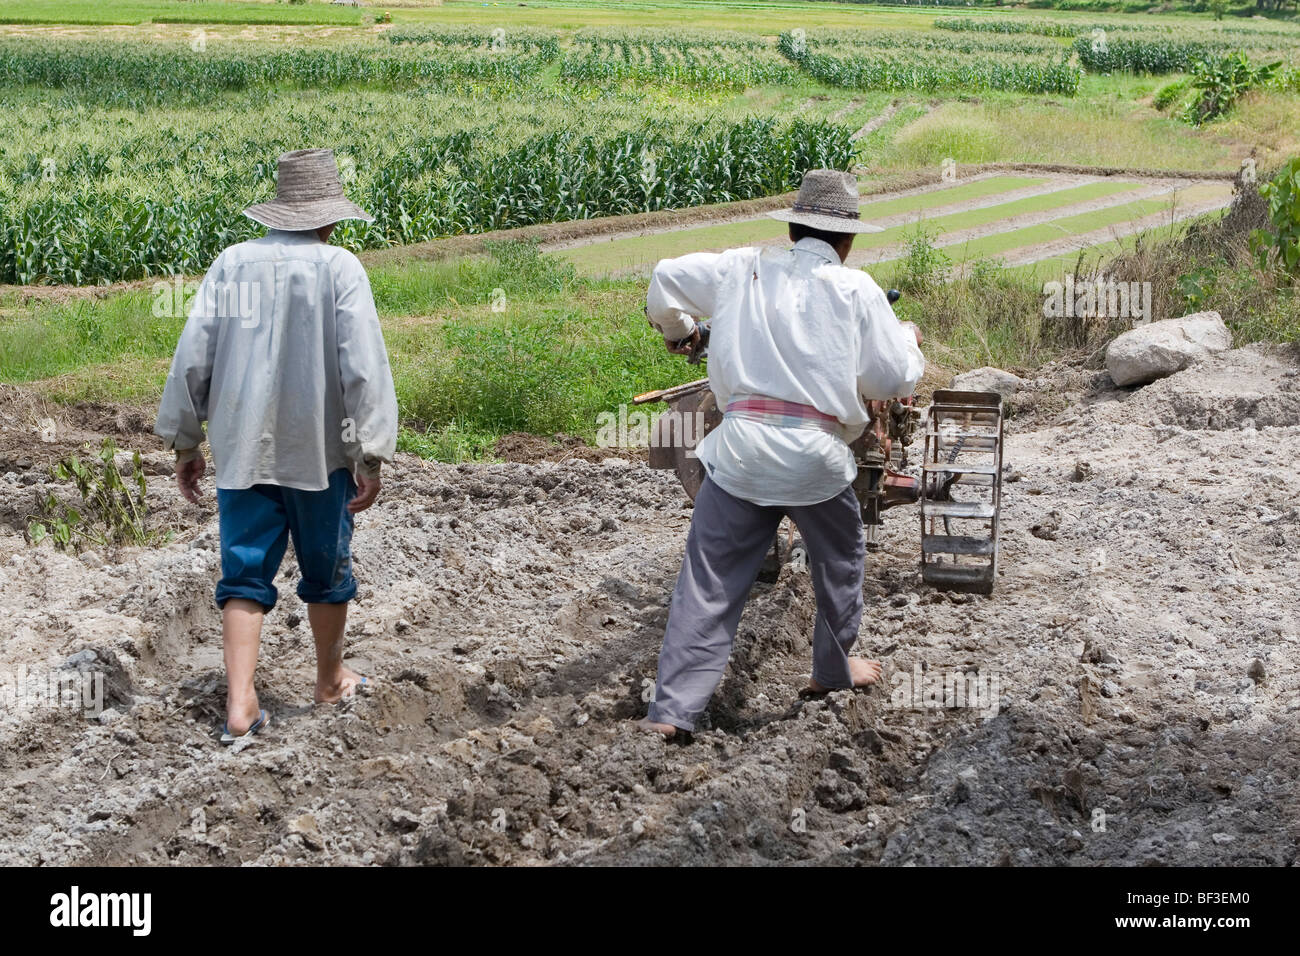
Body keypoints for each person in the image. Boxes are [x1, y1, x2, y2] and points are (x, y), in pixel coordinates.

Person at [637, 168, 925, 737]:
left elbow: (664, 277)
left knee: (708, 581)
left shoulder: (739, 266)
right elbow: (892, 379)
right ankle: (832, 669)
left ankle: (671, 713)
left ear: (792, 230)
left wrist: (681, 329)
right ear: (847, 242)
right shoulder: (858, 289)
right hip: (817, 459)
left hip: (741, 449)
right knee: (841, 565)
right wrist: (906, 340)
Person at [154, 148, 398, 743]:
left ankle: (239, 704)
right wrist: (369, 453)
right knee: (326, 569)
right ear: (329, 217)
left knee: (242, 575)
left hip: (241, 451)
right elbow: (362, 368)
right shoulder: (340, 268)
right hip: (318, 454)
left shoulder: (231, 264)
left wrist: (187, 442)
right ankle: (330, 679)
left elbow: (194, 356)